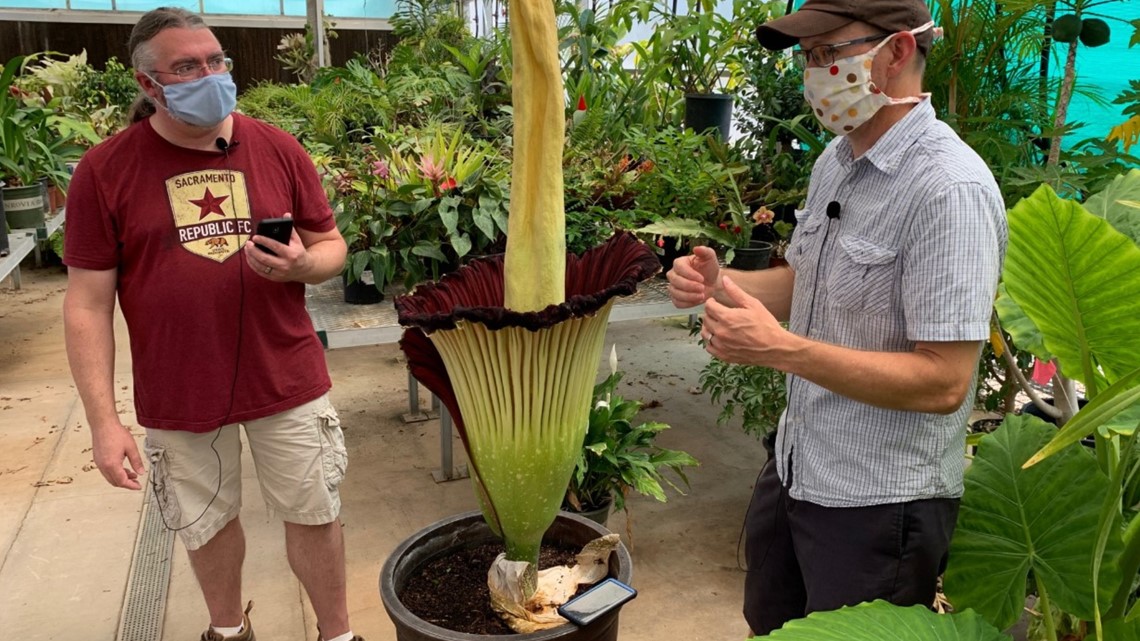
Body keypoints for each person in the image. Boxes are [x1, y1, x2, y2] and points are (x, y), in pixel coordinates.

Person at [667, 0, 1008, 635]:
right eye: (808, 57)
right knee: (769, 623)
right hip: (800, 465)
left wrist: (782, 351)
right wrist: (722, 282)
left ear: (899, 51)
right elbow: (806, 283)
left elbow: (944, 382)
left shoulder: (949, 189)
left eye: (830, 53)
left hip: (881, 503)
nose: (814, 73)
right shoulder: (835, 162)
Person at [62, 8, 361, 641]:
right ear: (150, 85)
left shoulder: (277, 146)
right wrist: (102, 422)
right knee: (204, 521)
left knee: (314, 510)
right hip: (179, 386)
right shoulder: (104, 170)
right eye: (188, 66)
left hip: (286, 373)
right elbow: (86, 302)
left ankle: (337, 633)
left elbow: (331, 245)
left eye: (217, 60)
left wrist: (305, 264)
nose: (211, 74)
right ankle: (228, 631)